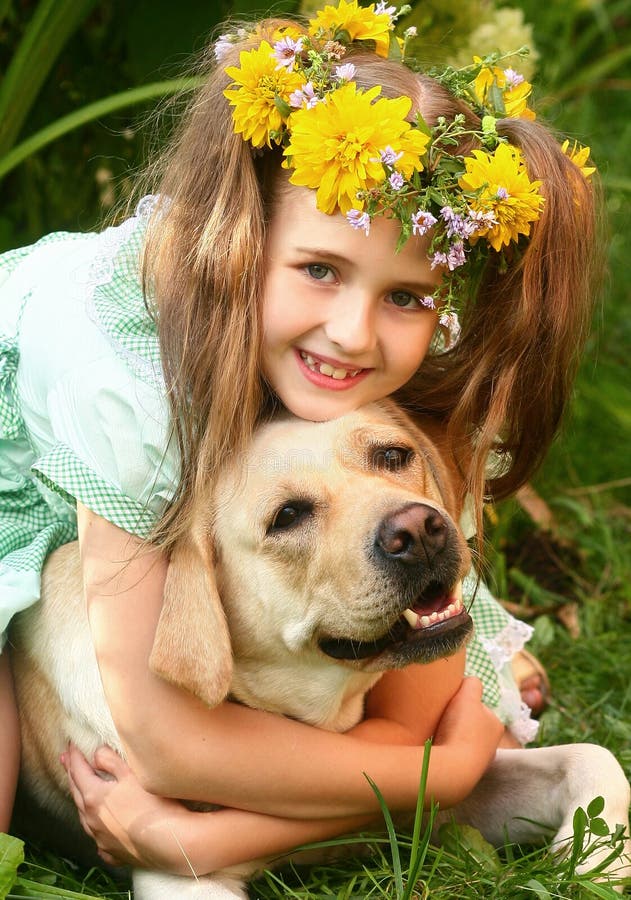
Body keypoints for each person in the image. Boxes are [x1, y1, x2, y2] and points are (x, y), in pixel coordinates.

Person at [0, 0, 598, 878]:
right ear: (241, 241)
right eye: (319, 269)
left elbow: (407, 736)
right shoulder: (119, 373)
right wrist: (451, 762)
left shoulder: (409, 382)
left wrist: (211, 839)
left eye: (406, 295)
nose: (354, 334)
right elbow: (164, 743)